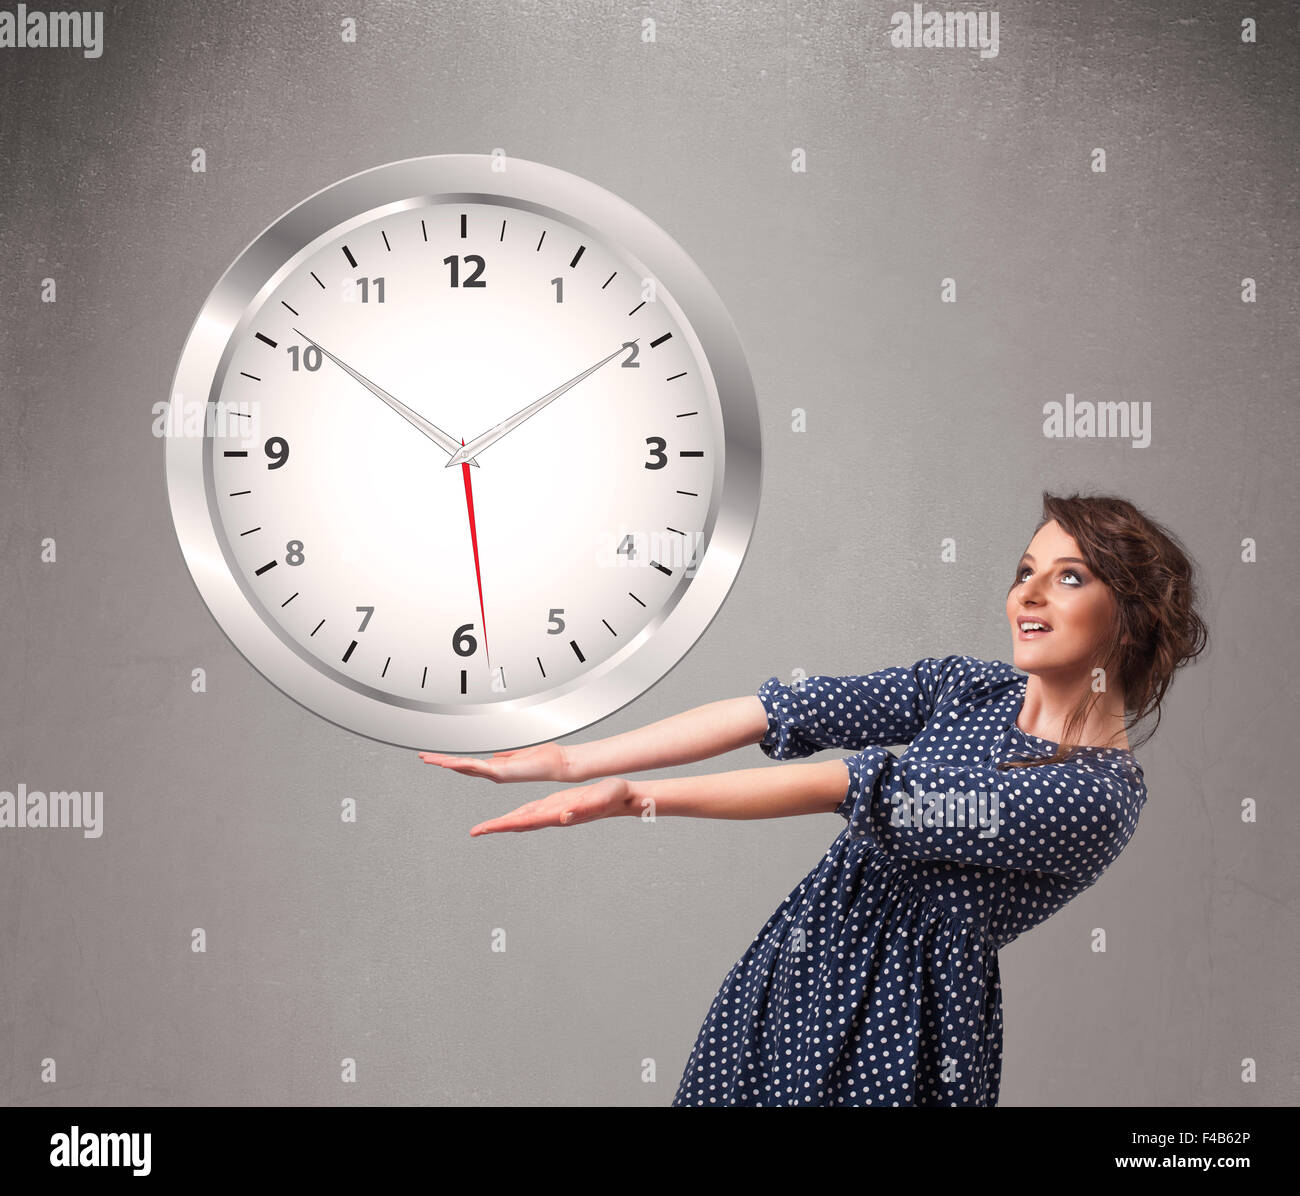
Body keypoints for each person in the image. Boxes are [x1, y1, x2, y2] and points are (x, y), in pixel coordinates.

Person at [418, 492, 1208, 1106]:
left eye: (1068, 577)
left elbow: (862, 788)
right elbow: (783, 711)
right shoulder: (972, 688)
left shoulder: (1097, 796)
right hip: (793, 971)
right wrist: (572, 759)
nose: (1028, 594)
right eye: (1024, 570)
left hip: (898, 1033)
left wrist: (637, 798)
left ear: (1130, 618)